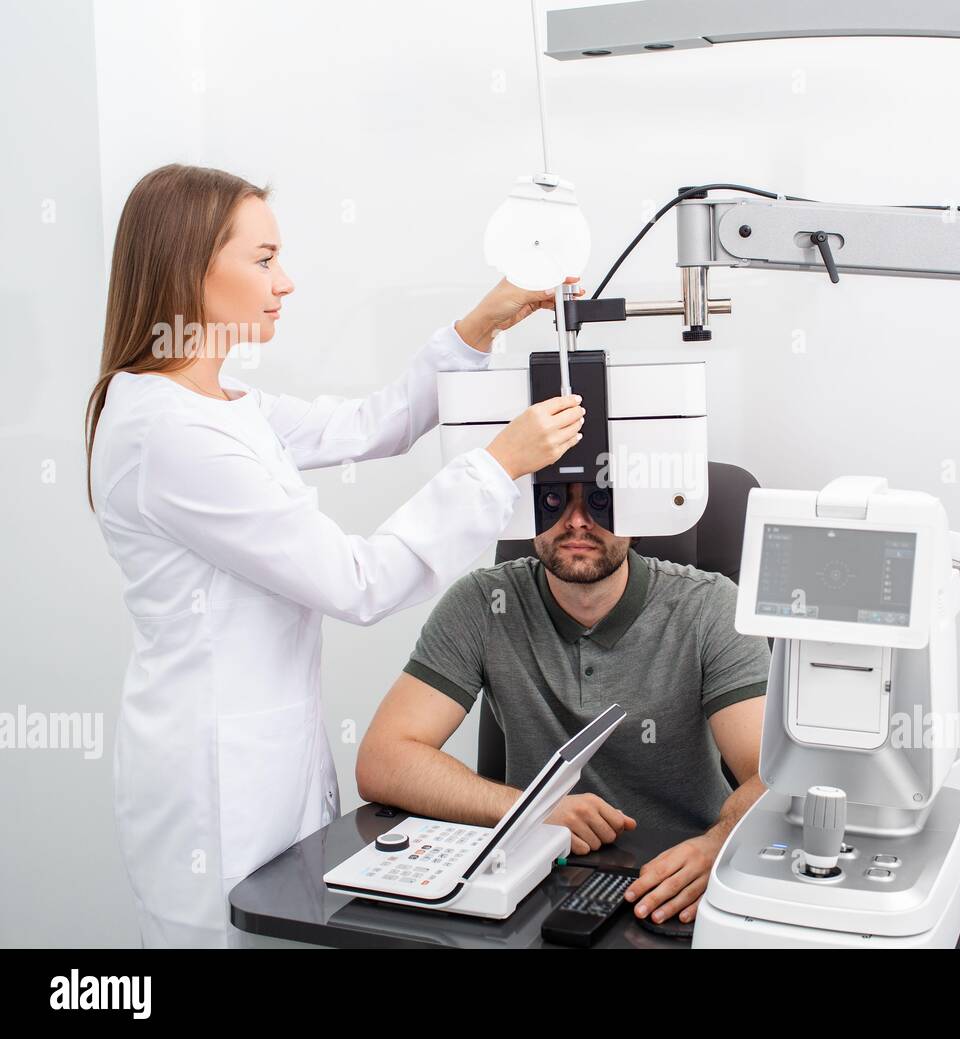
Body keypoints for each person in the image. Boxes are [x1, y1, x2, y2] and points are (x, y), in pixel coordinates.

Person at [85, 163, 584, 947]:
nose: (286, 281)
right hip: (212, 782)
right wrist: (498, 464)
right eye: (263, 259)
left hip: (268, 753)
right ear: (189, 267)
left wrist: (481, 324)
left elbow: (366, 424)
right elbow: (356, 581)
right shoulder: (170, 435)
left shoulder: (220, 403)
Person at [357, 482, 771, 926]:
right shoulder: (482, 602)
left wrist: (719, 847)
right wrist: (530, 809)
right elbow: (382, 761)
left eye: (601, 501)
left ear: (639, 517)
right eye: (553, 500)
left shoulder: (710, 605)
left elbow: (774, 774)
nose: (575, 521)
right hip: (536, 878)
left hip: (678, 877)